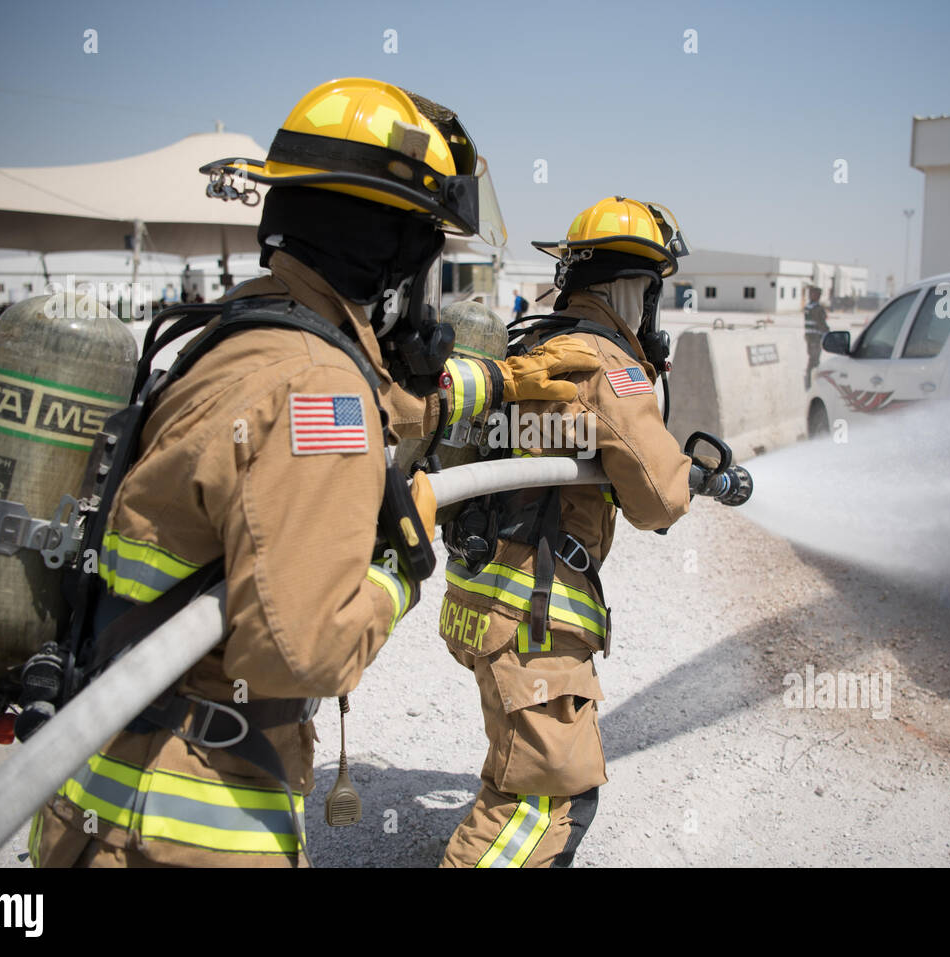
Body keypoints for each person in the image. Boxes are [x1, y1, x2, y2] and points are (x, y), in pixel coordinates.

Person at [29, 77, 597, 868]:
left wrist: (502, 381)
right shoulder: (317, 385)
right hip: (186, 833)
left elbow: (391, 406)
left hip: (93, 800)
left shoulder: (245, 336)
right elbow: (301, 653)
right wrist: (403, 561)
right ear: (394, 257)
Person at [438, 196, 694, 867]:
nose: (650, 312)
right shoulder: (603, 365)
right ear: (630, 288)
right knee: (545, 797)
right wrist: (699, 473)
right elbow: (660, 499)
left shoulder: (529, 343)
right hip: (532, 617)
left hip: (480, 599)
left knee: (522, 764)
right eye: (651, 292)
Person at [803, 284, 829, 389]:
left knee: (812, 360)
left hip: (810, 337)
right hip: (815, 338)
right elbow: (821, 323)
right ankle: (812, 383)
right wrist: (829, 334)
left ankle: (811, 382)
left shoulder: (808, 307)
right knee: (814, 361)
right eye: (816, 294)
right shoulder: (817, 308)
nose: (818, 296)